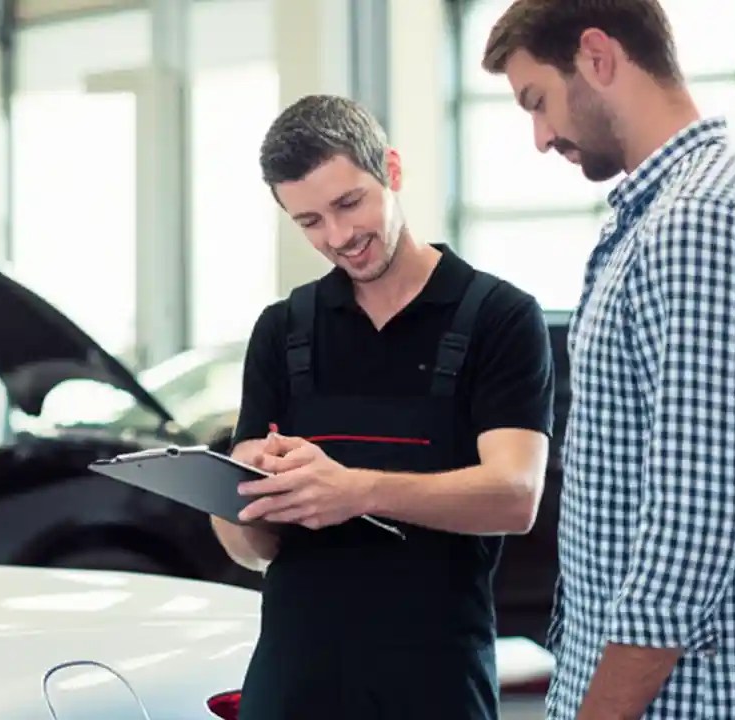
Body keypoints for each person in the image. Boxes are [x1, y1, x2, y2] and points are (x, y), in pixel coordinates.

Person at [479, 1, 735, 718]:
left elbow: (691, 526)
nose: (540, 137)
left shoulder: (699, 223)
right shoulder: (661, 217)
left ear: (597, 57)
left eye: (537, 101)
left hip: (685, 703)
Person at [210, 94, 555, 719]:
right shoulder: (282, 330)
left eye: (349, 203)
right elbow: (252, 547)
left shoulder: (500, 319)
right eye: (310, 222)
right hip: (293, 685)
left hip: (434, 685)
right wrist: (238, 497)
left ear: (391, 171)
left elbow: (515, 495)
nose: (339, 237)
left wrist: (356, 491)